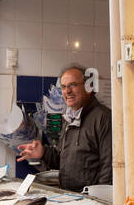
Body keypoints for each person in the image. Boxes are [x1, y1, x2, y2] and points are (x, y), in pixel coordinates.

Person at [17, 64, 111, 192]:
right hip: (71, 195)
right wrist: (43, 152)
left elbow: (110, 165)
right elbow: (63, 159)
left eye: (72, 85)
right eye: (64, 87)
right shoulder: (70, 118)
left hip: (91, 199)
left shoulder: (103, 117)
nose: (67, 91)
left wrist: (100, 199)